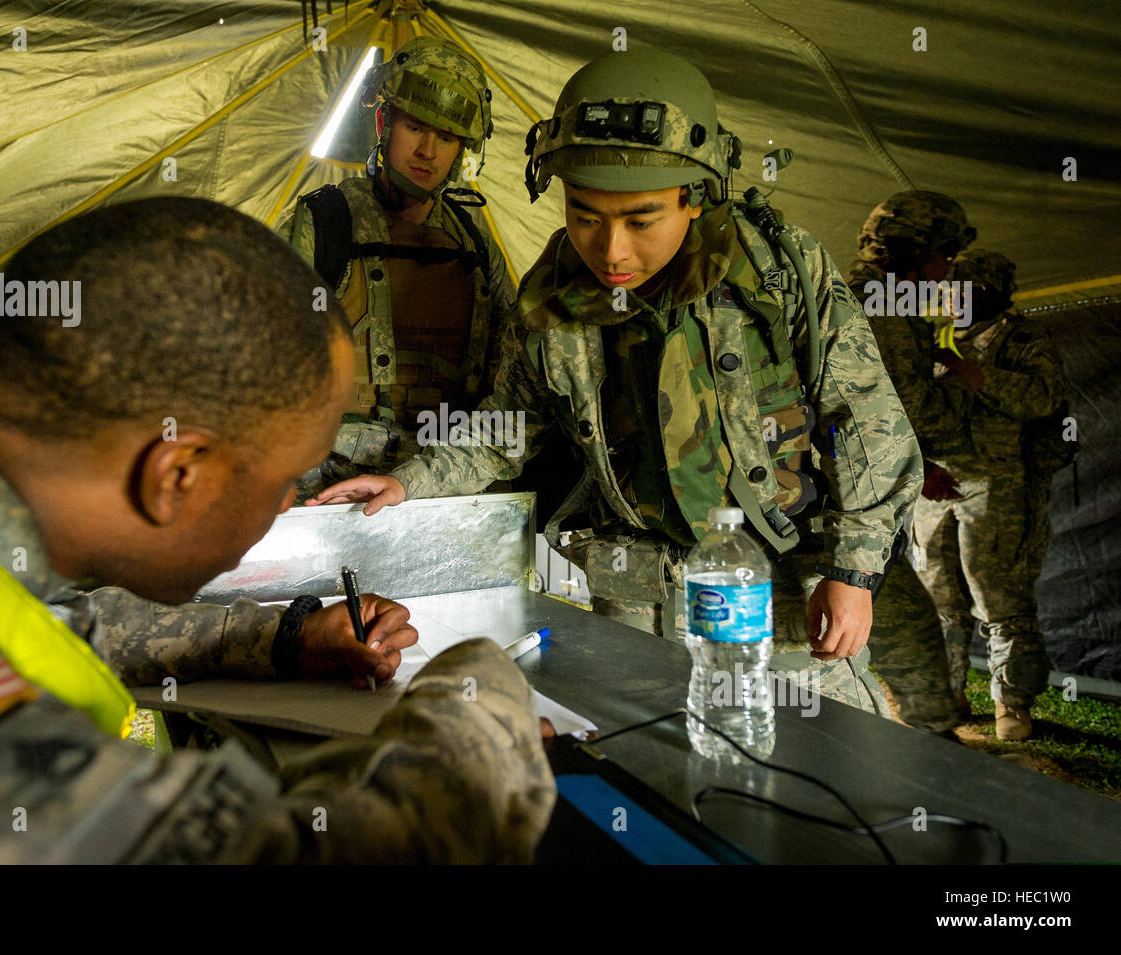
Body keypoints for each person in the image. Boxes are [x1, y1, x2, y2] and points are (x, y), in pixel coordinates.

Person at [0, 197, 554, 863]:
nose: (287, 502)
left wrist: (284, 635)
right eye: (283, 480)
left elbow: (40, 617)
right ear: (178, 475)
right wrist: (483, 714)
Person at [311, 49, 928, 717]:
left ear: (696, 198)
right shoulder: (552, 296)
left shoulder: (777, 274)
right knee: (649, 765)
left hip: (775, 597)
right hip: (636, 603)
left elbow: (868, 421)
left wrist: (854, 571)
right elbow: (505, 431)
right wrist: (413, 479)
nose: (611, 250)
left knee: (812, 770)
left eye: (640, 220)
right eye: (584, 214)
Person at [281, 36, 515, 498]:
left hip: (441, 483)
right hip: (327, 488)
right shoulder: (325, 223)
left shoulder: (475, 244)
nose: (428, 150)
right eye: (416, 127)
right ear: (384, 122)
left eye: (446, 137)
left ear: (462, 148)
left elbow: (513, 384)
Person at [840, 191, 991, 736]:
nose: (946, 269)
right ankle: (937, 753)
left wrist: (918, 468)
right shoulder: (886, 305)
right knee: (910, 637)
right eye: (944, 256)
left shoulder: (852, 294)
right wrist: (965, 384)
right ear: (915, 251)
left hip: (846, 497)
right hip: (848, 511)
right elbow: (908, 412)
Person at [910, 249, 1068, 739]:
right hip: (937, 485)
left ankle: (1012, 705)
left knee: (1000, 600)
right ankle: (948, 694)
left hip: (995, 483)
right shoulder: (934, 336)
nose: (953, 298)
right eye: (949, 288)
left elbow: (1045, 398)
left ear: (993, 292)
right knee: (938, 599)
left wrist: (973, 374)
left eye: (966, 290)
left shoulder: (1021, 338)